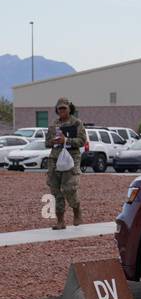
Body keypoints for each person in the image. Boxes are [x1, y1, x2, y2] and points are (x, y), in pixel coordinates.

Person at [44, 98, 87, 230]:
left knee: (69, 188)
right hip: (55, 159)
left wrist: (66, 140)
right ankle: (60, 221)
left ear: (69, 109)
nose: (62, 110)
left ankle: (76, 210)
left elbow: (82, 141)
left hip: (71, 158)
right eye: (59, 108)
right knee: (55, 190)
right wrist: (54, 141)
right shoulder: (54, 124)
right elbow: (47, 142)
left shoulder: (76, 123)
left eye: (64, 108)